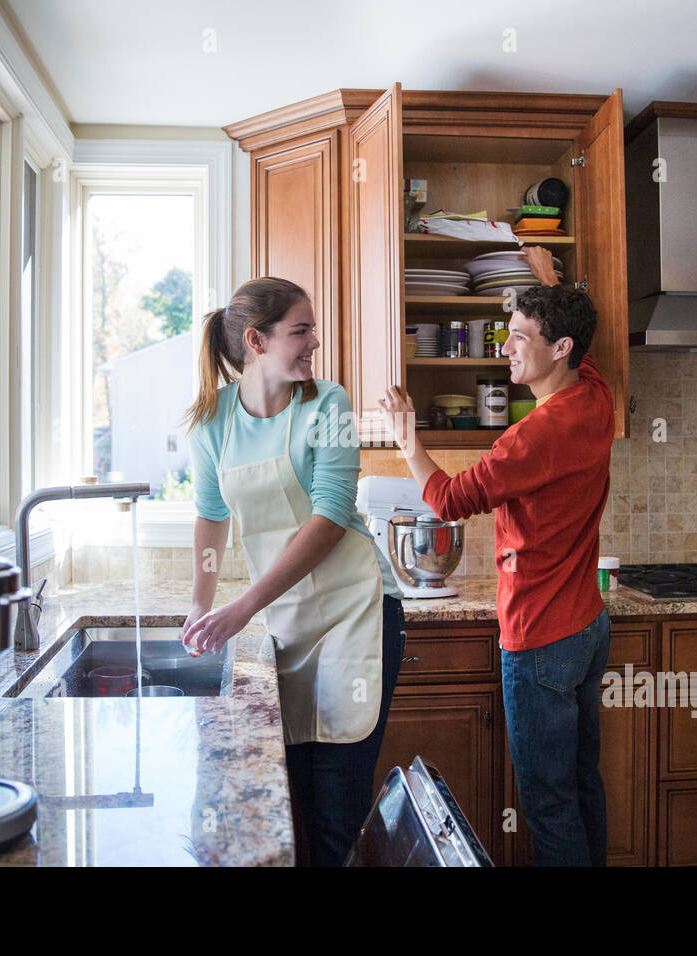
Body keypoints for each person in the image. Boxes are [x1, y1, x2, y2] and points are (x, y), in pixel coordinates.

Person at [378, 250, 614, 866]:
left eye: (520, 338)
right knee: (582, 784)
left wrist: (409, 441)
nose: (506, 349)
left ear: (558, 348)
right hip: (587, 628)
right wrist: (550, 285)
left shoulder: (531, 436)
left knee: (548, 805)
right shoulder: (595, 397)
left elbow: (451, 501)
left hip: (540, 639)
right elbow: (582, 340)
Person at [180, 276, 406, 867]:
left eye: (312, 329)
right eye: (301, 330)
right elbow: (209, 517)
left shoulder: (327, 403)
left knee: (336, 812)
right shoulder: (213, 421)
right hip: (287, 622)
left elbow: (332, 514)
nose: (314, 342)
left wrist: (244, 605)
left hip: (355, 615)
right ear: (257, 341)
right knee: (291, 804)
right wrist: (200, 606)